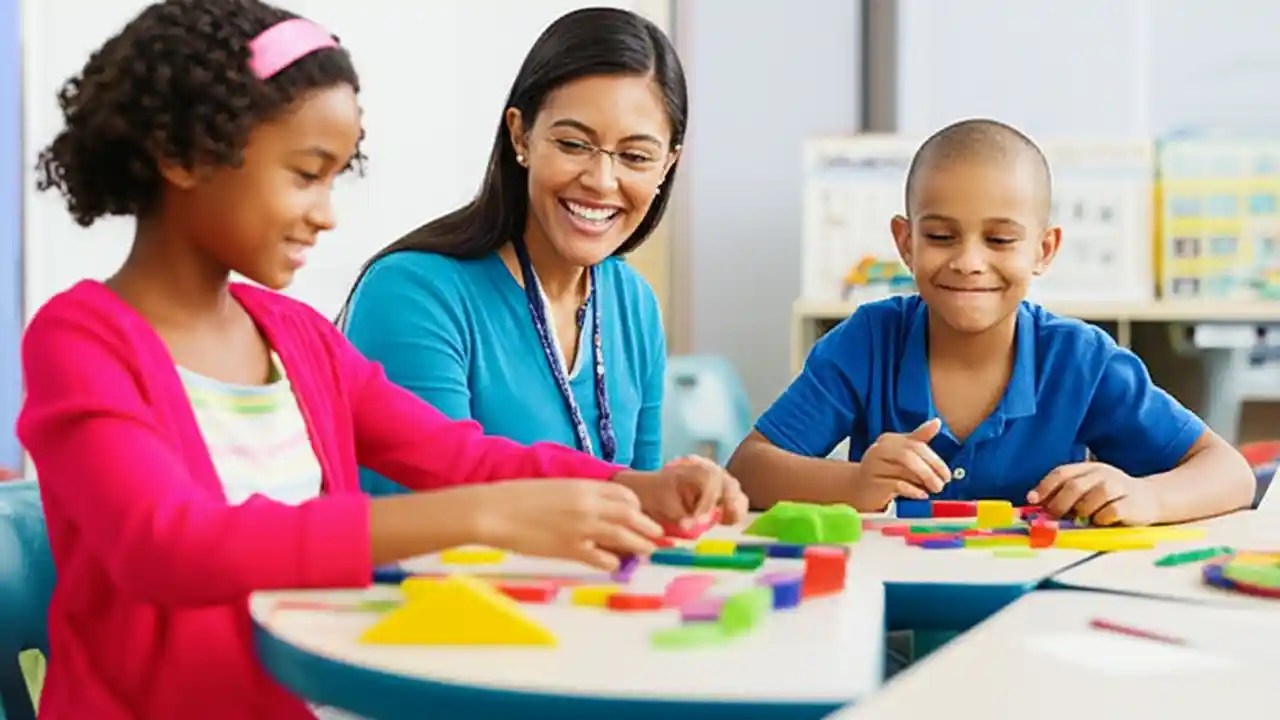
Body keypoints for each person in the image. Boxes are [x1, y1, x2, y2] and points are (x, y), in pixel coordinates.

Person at [17, 2, 745, 718]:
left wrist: (632, 486)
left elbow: (462, 457)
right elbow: (168, 545)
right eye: (306, 175)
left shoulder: (297, 337)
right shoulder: (81, 339)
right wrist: (485, 518)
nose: (328, 213)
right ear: (182, 155)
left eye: (337, 177)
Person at [727, 118, 1256, 526]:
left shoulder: (1081, 362)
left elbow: (1229, 473)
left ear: (1043, 249)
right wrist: (854, 482)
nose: (968, 261)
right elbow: (748, 470)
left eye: (1000, 239)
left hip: (1034, 623)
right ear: (905, 242)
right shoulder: (868, 343)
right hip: (887, 615)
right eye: (940, 237)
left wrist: (1148, 494)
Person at [339, 8, 683, 493]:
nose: (602, 181)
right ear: (521, 134)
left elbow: (646, 504)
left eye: (635, 156)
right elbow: (423, 518)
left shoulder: (634, 303)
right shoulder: (413, 293)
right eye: (573, 143)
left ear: (668, 164)